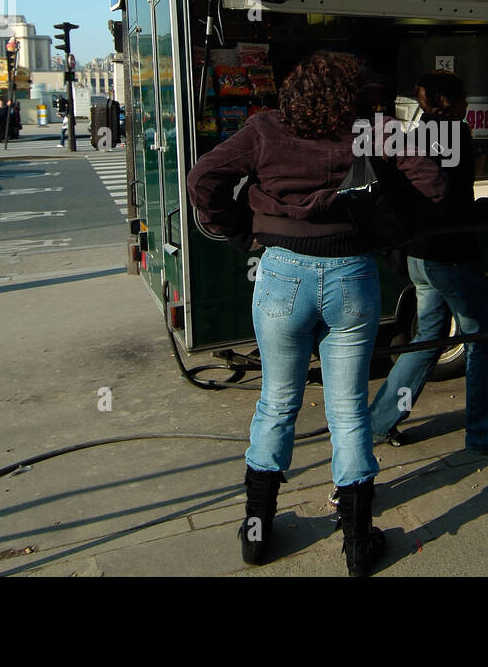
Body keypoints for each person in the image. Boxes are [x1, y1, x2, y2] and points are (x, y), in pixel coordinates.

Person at [186, 51, 445, 576]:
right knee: (347, 410)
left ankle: (257, 535)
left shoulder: (263, 130)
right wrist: (386, 227)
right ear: (351, 92)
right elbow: (432, 186)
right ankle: (355, 543)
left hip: (279, 274)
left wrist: (241, 230)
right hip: (352, 272)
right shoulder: (372, 129)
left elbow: (203, 179)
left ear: (293, 91)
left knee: (277, 402)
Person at [366, 70, 488, 455]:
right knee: (479, 339)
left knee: (428, 338)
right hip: (452, 254)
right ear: (452, 101)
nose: (469, 103)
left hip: (419, 254)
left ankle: (379, 421)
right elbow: (454, 202)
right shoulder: (457, 134)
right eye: (465, 97)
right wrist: (483, 210)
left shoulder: (413, 134)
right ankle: (484, 431)